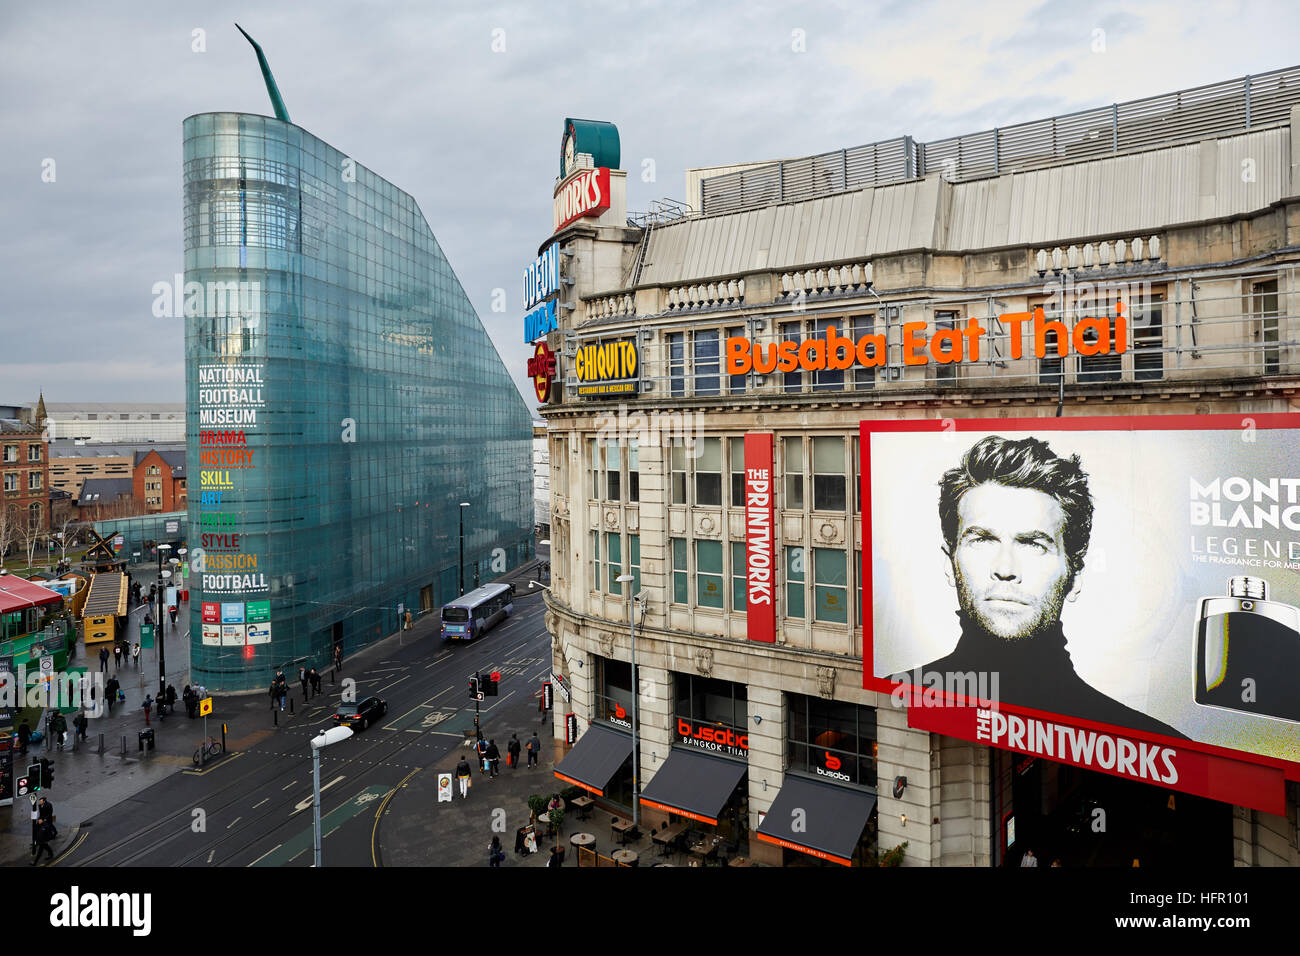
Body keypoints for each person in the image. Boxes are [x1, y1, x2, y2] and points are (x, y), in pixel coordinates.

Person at [907, 435, 1185, 739]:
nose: (1005, 569)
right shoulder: (900, 698)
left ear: (1074, 576)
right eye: (983, 540)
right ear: (950, 564)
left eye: (1033, 544)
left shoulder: (1147, 740)